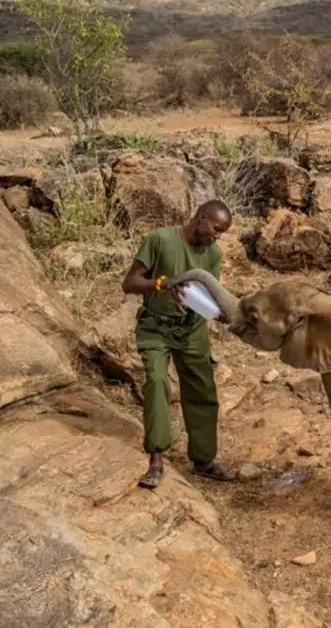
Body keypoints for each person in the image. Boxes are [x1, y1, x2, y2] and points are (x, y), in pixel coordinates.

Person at [121, 199, 235, 489]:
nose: (218, 235)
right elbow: (130, 282)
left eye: (222, 232)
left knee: (202, 389)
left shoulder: (213, 254)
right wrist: (162, 284)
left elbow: (209, 294)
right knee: (157, 383)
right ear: (201, 217)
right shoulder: (160, 239)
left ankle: (204, 460)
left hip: (192, 330)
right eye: (216, 228)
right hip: (155, 327)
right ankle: (156, 459)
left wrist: (218, 313)